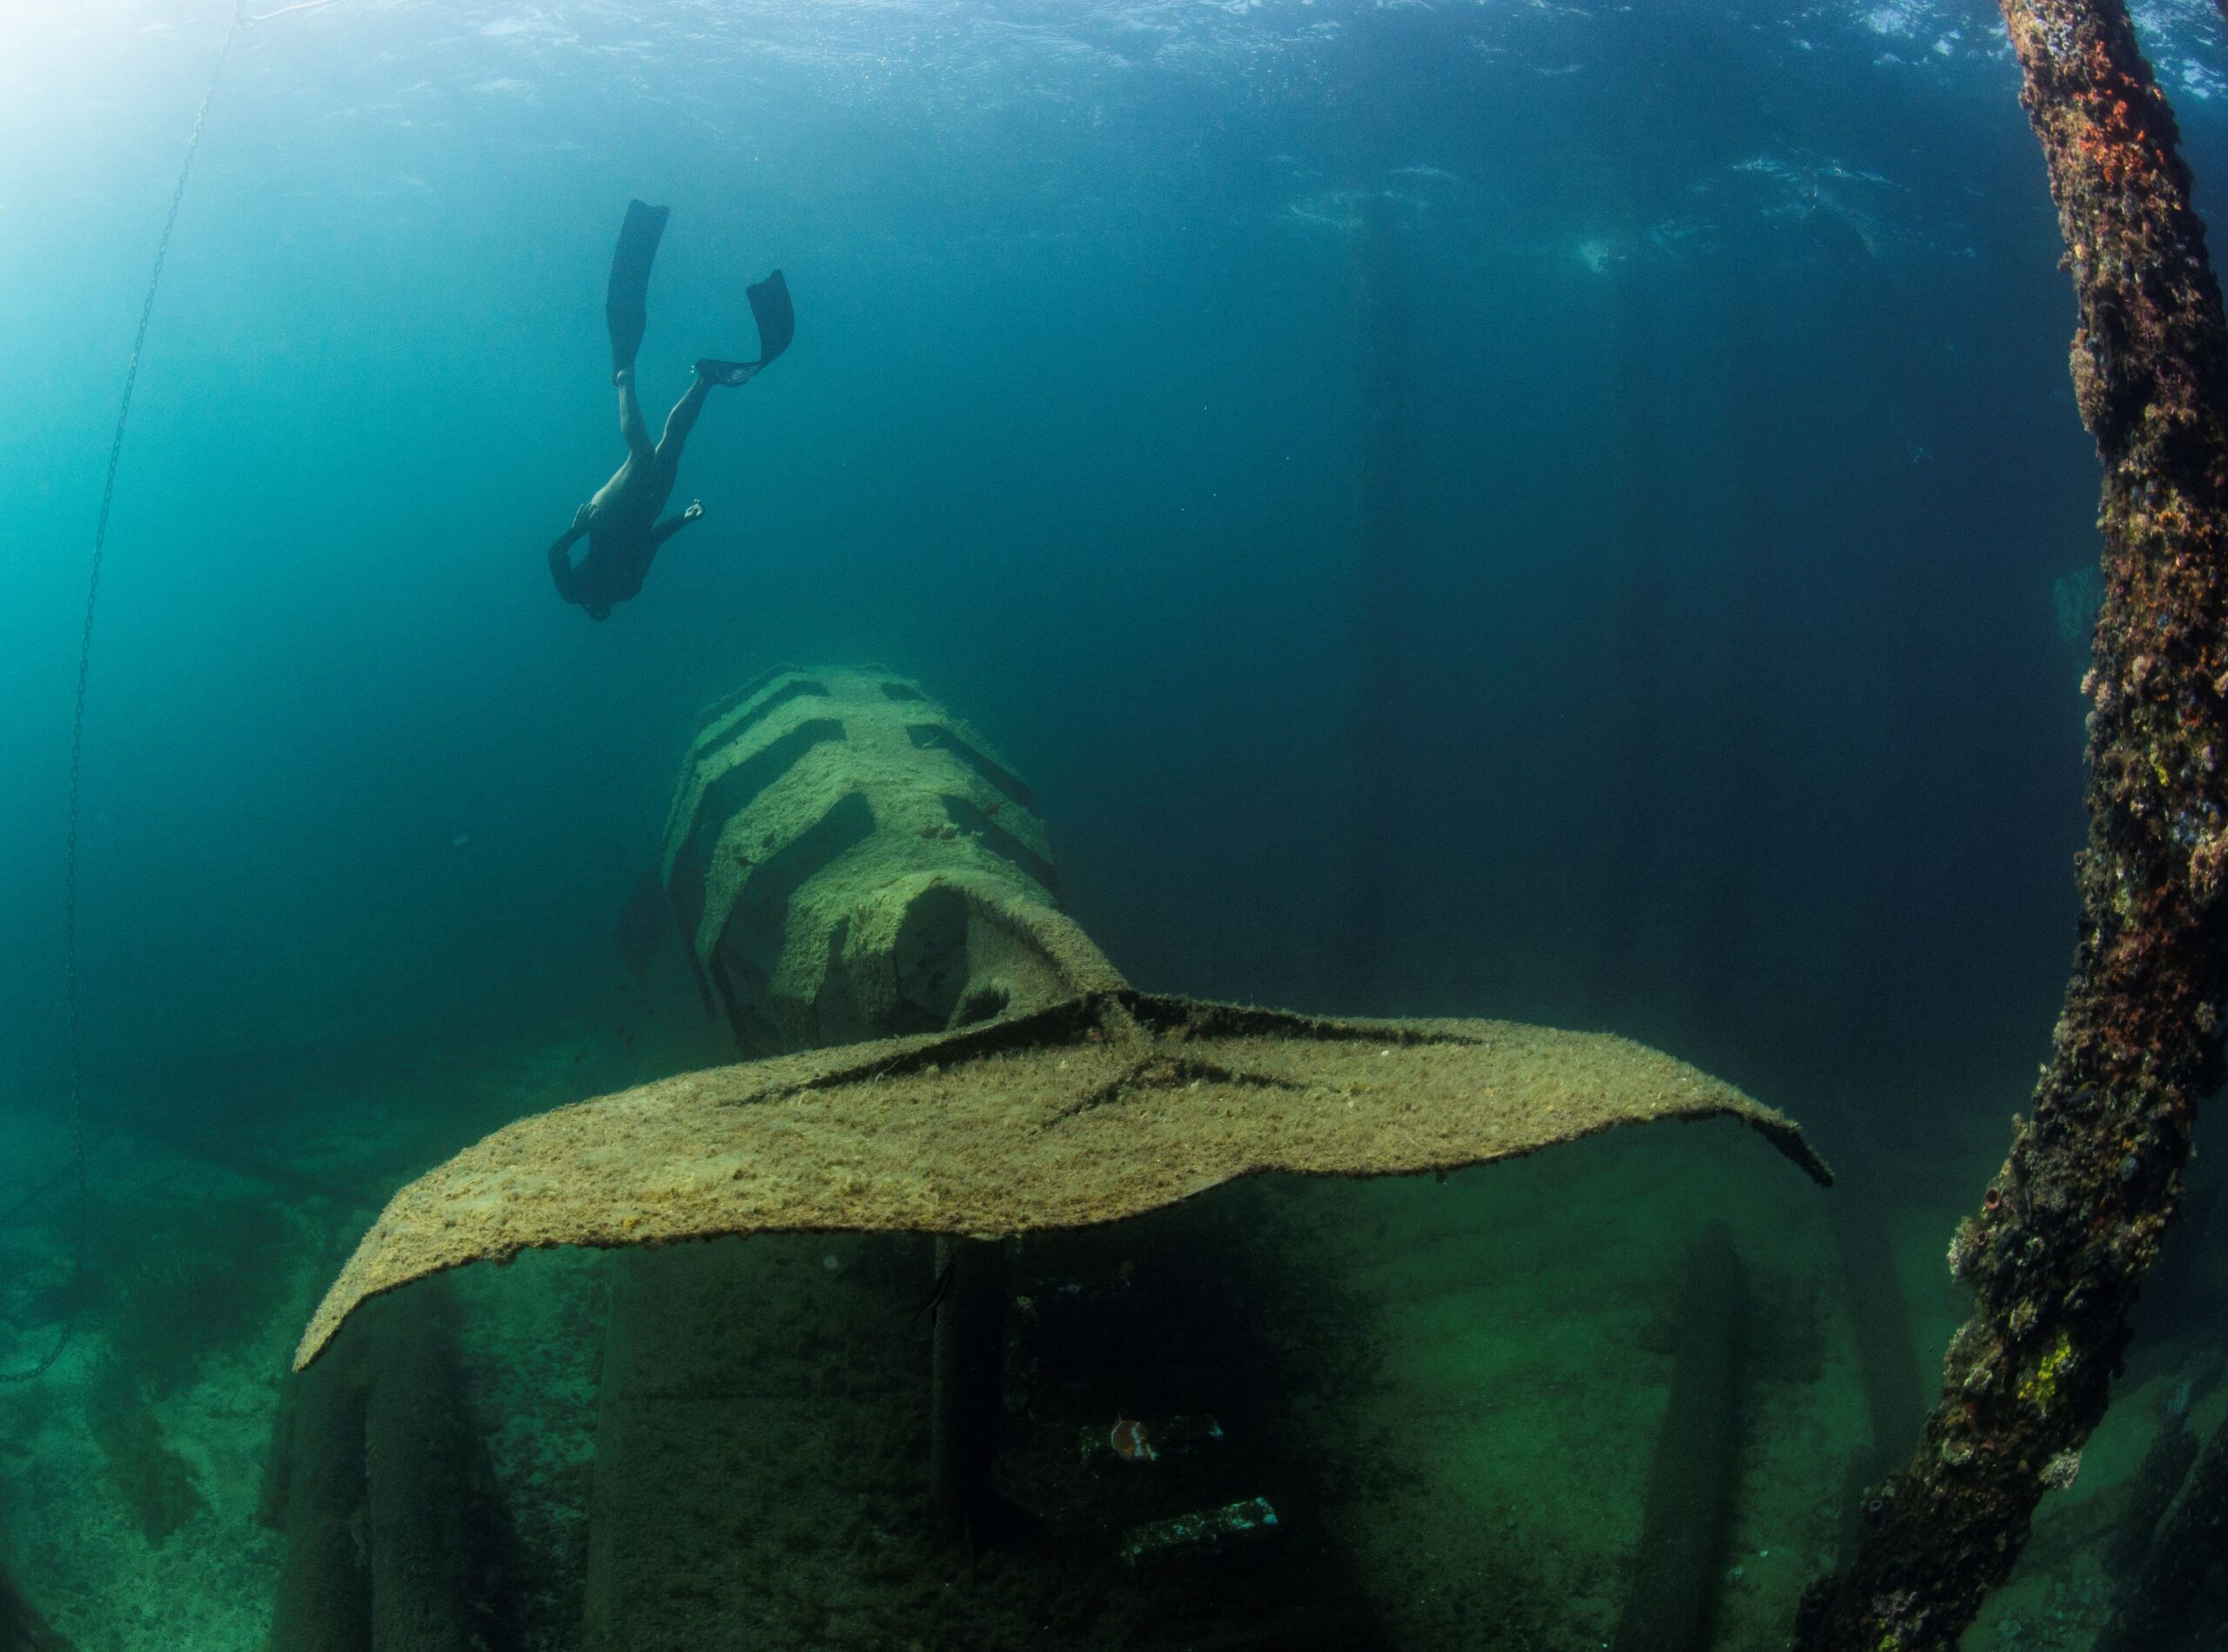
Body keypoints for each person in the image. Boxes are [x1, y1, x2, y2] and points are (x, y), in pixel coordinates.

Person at [548, 199, 793, 620]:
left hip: (606, 519)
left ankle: (623, 377)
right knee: (672, 446)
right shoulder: (627, 591)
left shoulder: (576, 593)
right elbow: (652, 544)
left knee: (643, 454)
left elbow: (555, 556)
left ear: (595, 607)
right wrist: (685, 519)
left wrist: (579, 530)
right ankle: (706, 379)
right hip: (644, 517)